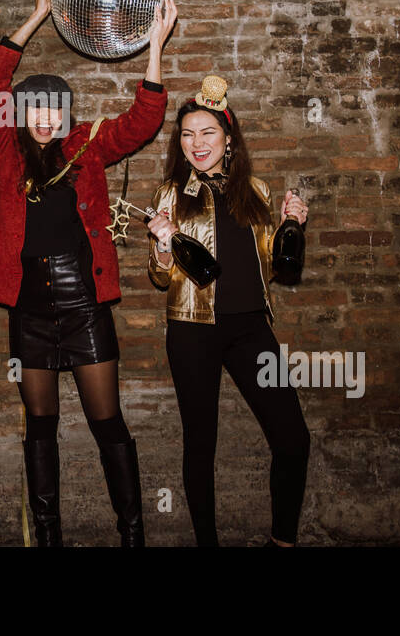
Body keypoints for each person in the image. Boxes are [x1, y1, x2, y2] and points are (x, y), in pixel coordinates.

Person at [0, 0, 177, 546]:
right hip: (29, 305)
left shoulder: (87, 145)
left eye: (54, 109)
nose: (45, 118)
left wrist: (155, 44)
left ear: (65, 113)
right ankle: (49, 536)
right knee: (41, 426)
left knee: (109, 423)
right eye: (35, 108)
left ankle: (132, 533)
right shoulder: (5, 152)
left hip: (83, 304)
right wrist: (37, 16)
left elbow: (143, 121)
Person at [145, 74, 311, 547]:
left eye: (207, 133)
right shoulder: (169, 195)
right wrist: (160, 247)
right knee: (201, 445)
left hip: (250, 329)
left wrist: (290, 228)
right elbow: (160, 277)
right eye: (187, 134)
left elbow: (273, 271)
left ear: (229, 138)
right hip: (192, 330)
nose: (196, 144)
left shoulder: (255, 190)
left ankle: (283, 541)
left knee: (293, 439)